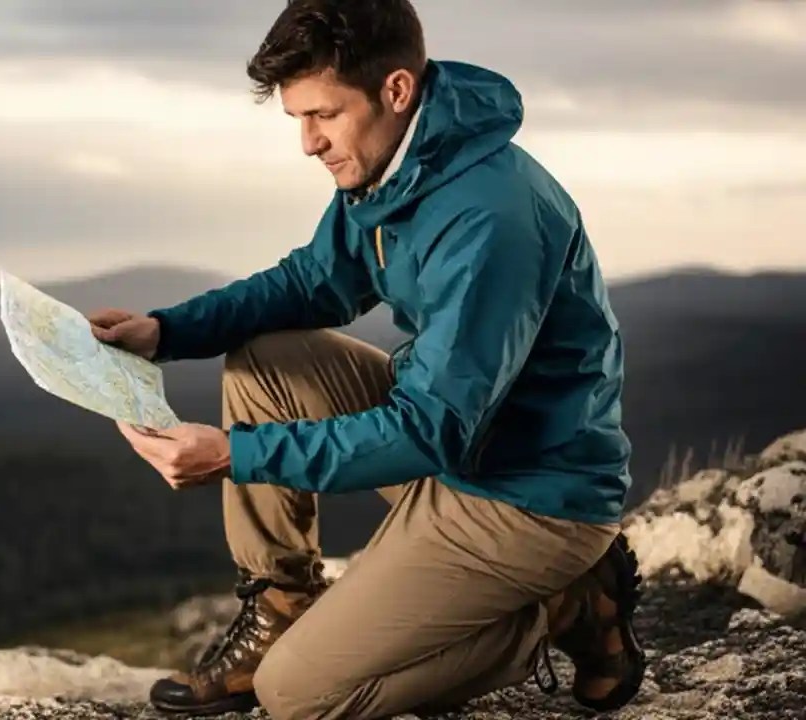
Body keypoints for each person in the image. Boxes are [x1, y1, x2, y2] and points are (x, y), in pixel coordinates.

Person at [86, 1, 644, 718]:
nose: (309, 143)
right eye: (297, 120)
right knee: (266, 359)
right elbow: (311, 283)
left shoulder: (490, 218)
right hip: (468, 447)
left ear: (397, 91)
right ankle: (281, 604)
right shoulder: (393, 167)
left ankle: (551, 613)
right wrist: (166, 332)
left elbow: (429, 430)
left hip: (528, 494)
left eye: (323, 114)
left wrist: (235, 455)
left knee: (296, 695)